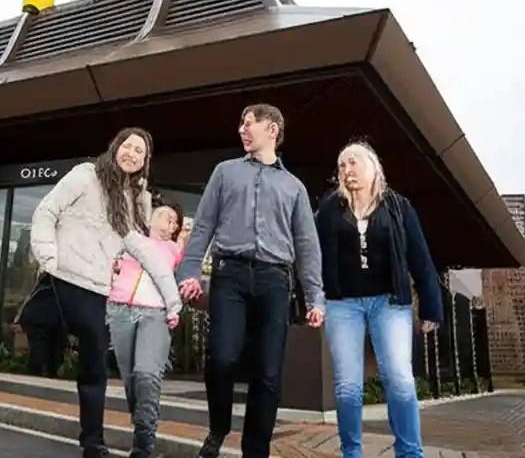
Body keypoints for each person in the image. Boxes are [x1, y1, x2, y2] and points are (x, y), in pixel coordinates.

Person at [176, 104, 325, 458]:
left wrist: (315, 297)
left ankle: (255, 451)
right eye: (240, 123)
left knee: (269, 373)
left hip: (275, 282)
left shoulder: (294, 188)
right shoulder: (225, 173)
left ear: (272, 129)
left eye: (248, 123)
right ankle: (219, 428)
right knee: (223, 359)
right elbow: (203, 227)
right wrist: (189, 272)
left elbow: (307, 246)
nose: (241, 129)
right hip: (229, 276)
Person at [26, 127, 183, 458]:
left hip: (102, 288)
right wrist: (48, 256)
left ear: (145, 161)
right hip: (66, 276)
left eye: (139, 151)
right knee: (70, 351)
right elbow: (46, 211)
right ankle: (95, 438)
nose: (131, 154)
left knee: (95, 366)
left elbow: (136, 244)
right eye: (127, 146)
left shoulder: (138, 198)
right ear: (115, 147)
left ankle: (94, 442)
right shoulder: (85, 175)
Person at [315, 141, 442, 458]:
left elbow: (420, 257)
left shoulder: (398, 206)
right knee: (347, 385)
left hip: (389, 303)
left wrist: (431, 305)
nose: (347, 170)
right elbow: (312, 256)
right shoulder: (330, 209)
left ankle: (410, 453)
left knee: (399, 378)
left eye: (354, 162)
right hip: (342, 304)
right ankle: (352, 453)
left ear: (374, 168)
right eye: (342, 165)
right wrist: (312, 299)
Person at [106, 197, 187, 458]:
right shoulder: (129, 243)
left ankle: (144, 446)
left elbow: (178, 272)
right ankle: (142, 425)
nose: (171, 222)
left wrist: (184, 241)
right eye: (165, 215)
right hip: (119, 308)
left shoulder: (173, 250)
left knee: (146, 375)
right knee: (130, 379)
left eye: (175, 221)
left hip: (154, 312)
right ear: (150, 218)